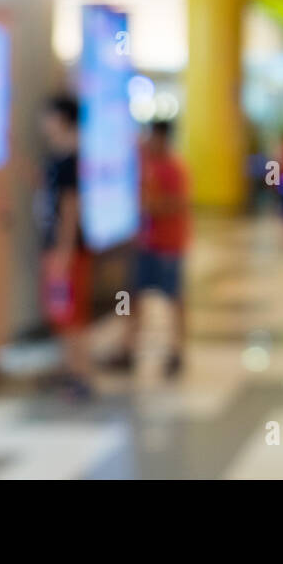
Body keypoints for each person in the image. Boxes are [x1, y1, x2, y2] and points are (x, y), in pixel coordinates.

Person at [113, 119, 190, 376]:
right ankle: (127, 347)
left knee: (173, 299)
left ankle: (176, 350)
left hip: (168, 245)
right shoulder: (142, 161)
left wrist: (149, 205)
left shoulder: (174, 169)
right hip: (143, 245)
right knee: (132, 297)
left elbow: (177, 204)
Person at [38, 94, 93, 400]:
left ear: (60, 119)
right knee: (61, 313)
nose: (43, 123)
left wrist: (63, 251)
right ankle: (69, 370)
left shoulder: (72, 159)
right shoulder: (59, 157)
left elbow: (71, 208)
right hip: (58, 249)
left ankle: (80, 375)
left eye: (47, 116)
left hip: (66, 251)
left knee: (71, 314)